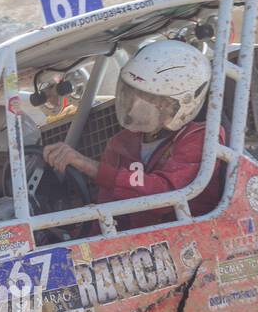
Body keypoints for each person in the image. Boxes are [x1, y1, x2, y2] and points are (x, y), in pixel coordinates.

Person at [41, 38, 225, 231]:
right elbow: (107, 207)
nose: (135, 104)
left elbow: (165, 195)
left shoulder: (200, 137)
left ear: (180, 103)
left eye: (150, 98)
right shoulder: (121, 143)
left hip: (194, 237)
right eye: (132, 93)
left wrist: (88, 165)